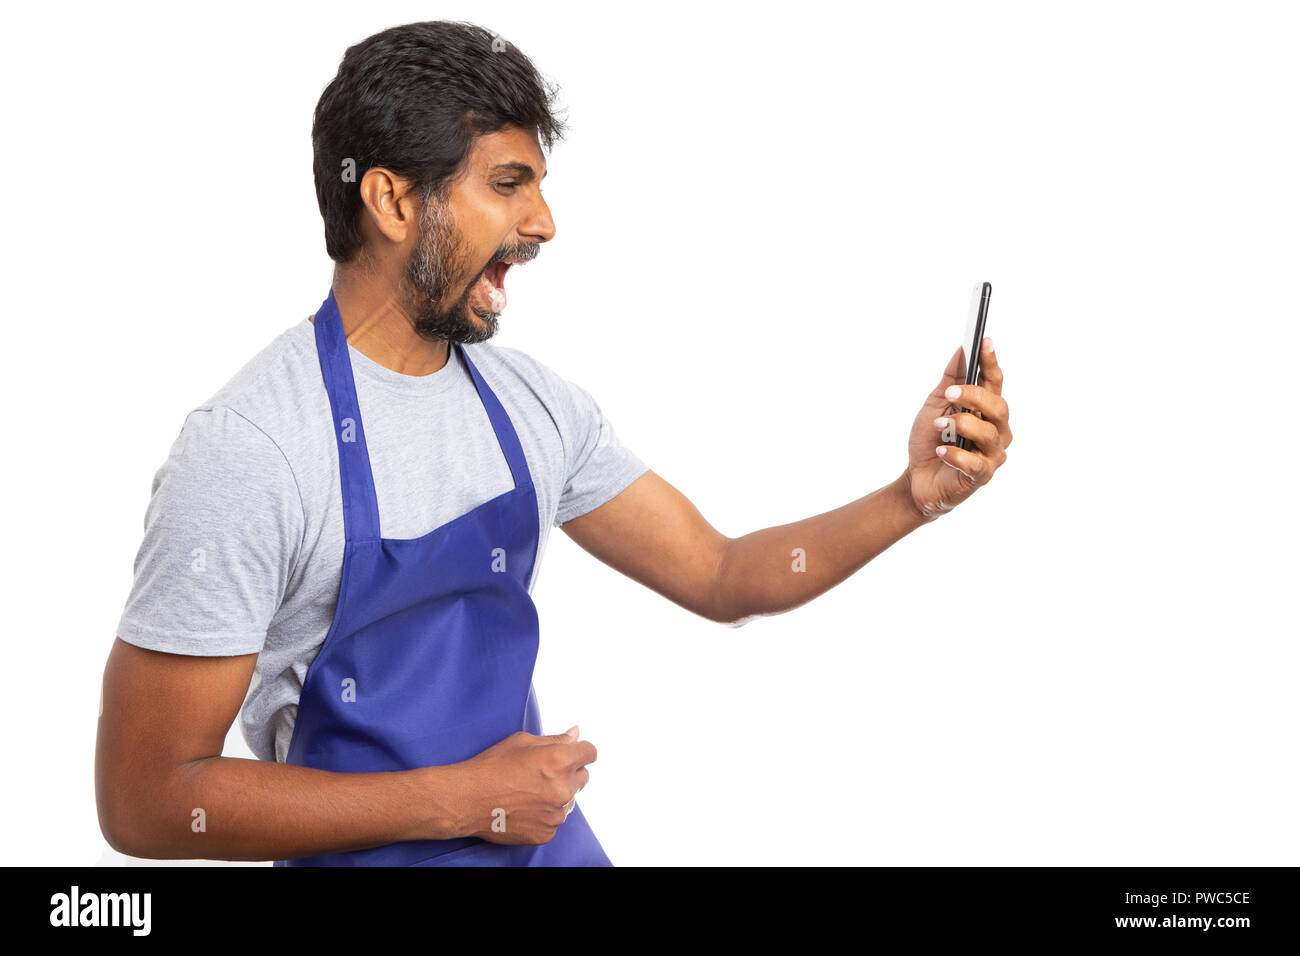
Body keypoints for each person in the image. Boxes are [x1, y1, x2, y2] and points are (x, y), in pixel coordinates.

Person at [96, 20, 1012, 867]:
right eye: (508, 184)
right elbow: (145, 799)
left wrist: (911, 497)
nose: (543, 223)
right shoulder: (254, 448)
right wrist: (459, 802)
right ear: (390, 199)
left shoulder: (529, 403)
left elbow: (724, 575)